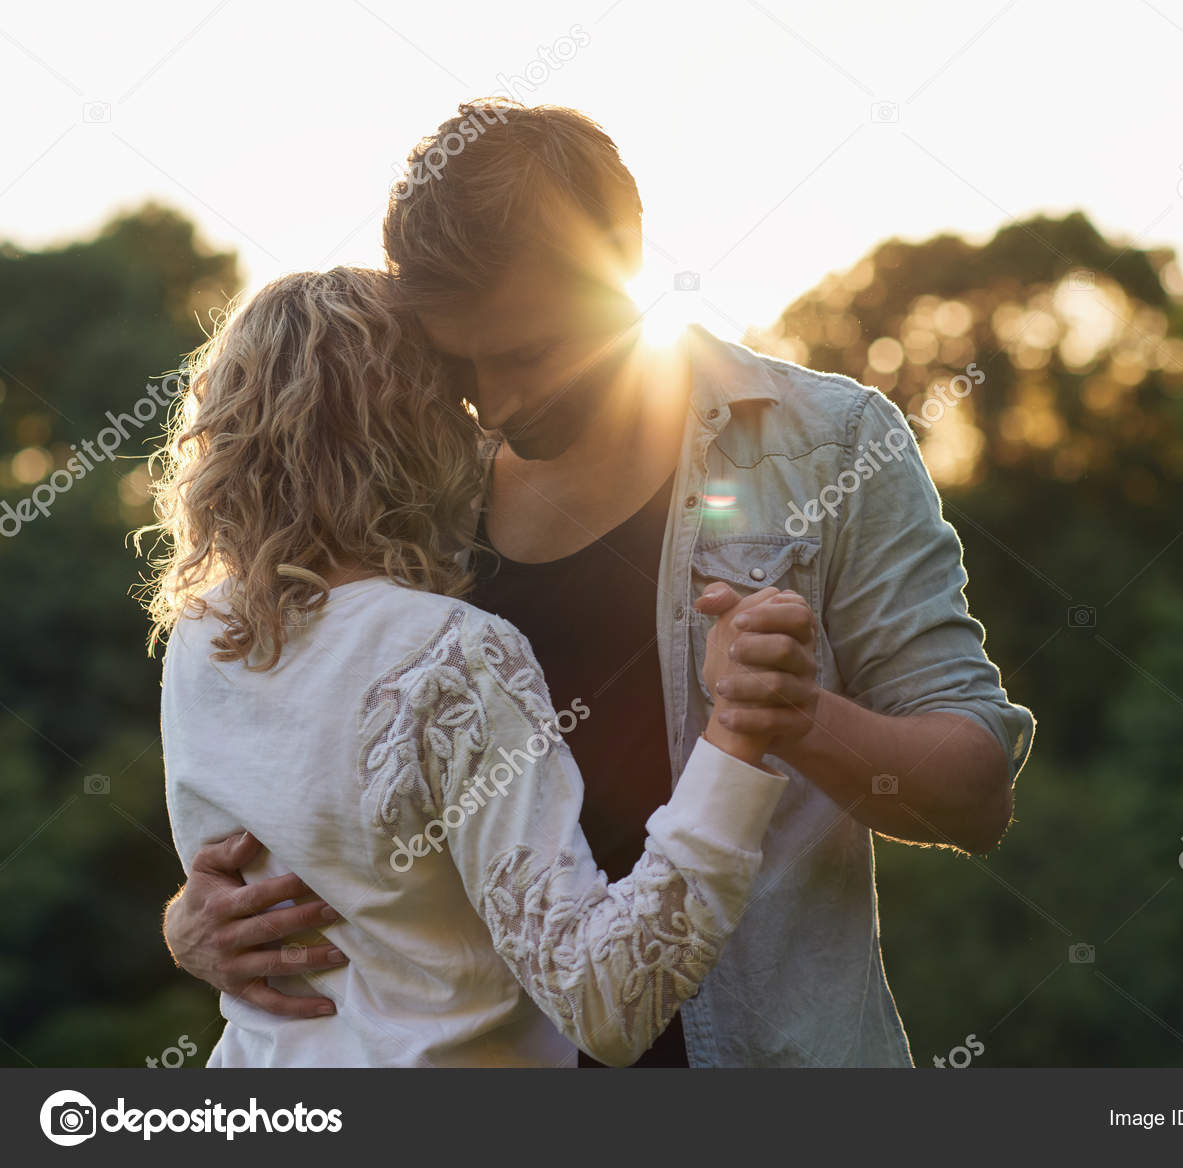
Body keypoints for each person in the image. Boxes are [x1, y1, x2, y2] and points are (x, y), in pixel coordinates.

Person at [163, 103, 1035, 1067]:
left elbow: (975, 795)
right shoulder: (417, 494)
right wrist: (198, 920)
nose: (496, 405)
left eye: (529, 353)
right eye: (461, 366)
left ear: (621, 257)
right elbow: (327, 793)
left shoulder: (825, 444)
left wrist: (793, 717)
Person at [150, 267, 816, 1066]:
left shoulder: (200, 637)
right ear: (417, 426)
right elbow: (606, 1000)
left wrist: (181, 926)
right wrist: (737, 732)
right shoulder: (452, 652)